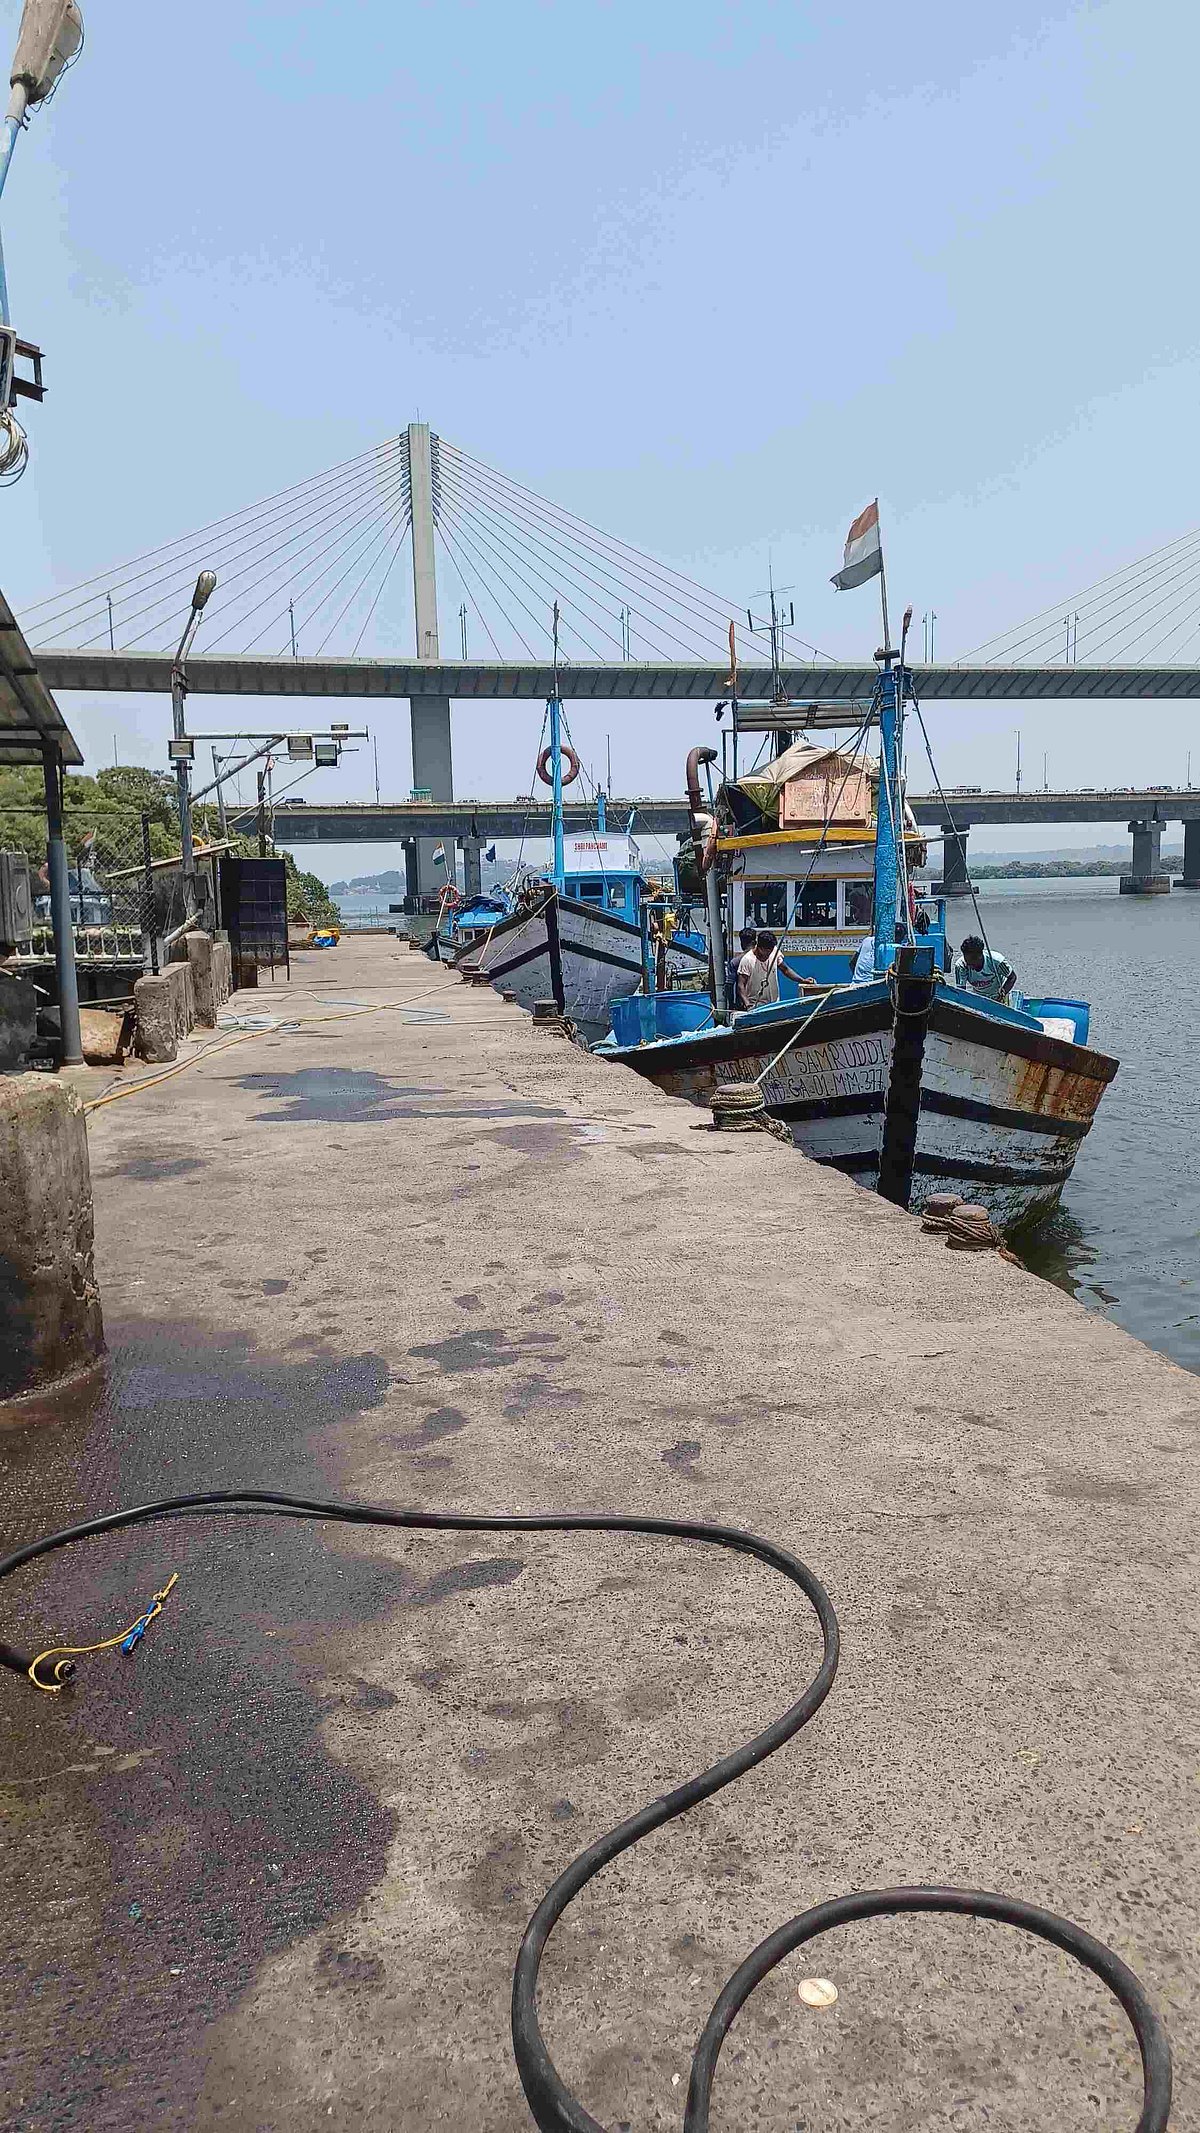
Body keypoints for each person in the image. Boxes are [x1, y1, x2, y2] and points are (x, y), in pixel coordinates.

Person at [736, 929, 813, 1009]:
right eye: (767, 952)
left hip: (774, 1004)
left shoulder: (774, 952)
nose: (769, 954)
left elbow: (785, 969)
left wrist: (802, 980)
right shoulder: (747, 960)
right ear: (760, 948)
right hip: (756, 1006)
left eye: (771, 951)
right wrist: (748, 1005)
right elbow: (741, 985)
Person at [951, 933, 1016, 1002]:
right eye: (967, 962)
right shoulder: (961, 966)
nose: (970, 966)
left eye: (972, 963)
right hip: (979, 997)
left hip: (998, 995)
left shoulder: (997, 961)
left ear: (980, 956)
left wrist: (1002, 993)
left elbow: (1012, 977)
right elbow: (961, 991)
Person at [725, 927, 757, 1005]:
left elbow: (730, 986)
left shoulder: (735, 961)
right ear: (755, 942)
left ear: (742, 943)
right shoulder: (763, 958)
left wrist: (732, 1004)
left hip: (743, 1003)